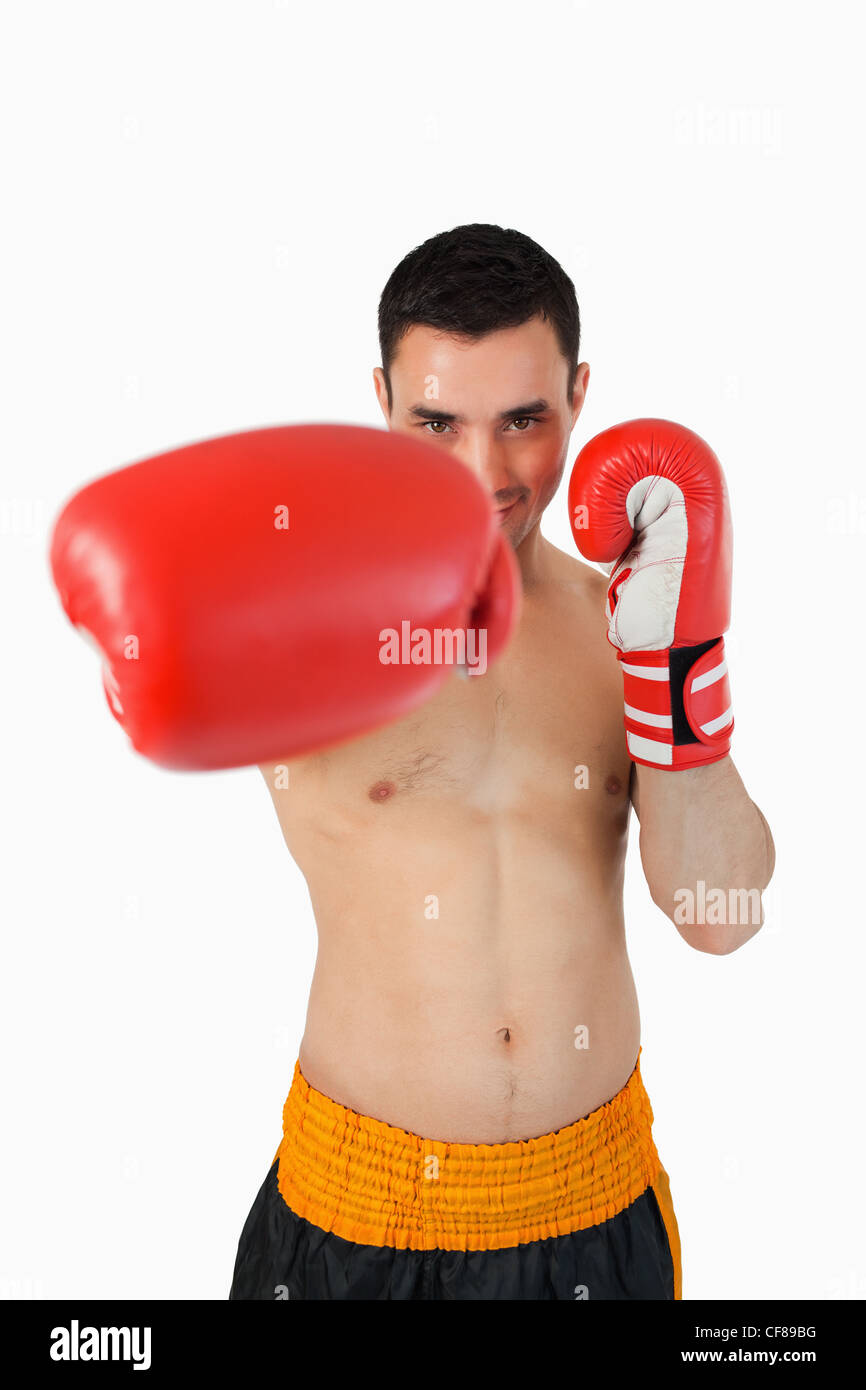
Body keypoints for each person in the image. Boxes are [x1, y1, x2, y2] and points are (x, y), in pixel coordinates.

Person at [51, 223, 775, 1300]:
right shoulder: (294, 621)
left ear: (580, 395)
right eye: (434, 421)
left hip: (593, 1210)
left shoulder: (622, 622)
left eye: (523, 420)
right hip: (354, 1221)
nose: (483, 473)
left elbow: (720, 916)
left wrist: (673, 673)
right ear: (379, 399)